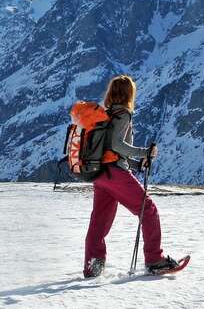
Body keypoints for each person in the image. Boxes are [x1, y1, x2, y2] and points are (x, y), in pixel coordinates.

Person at [83, 74, 180, 278]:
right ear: (129, 94)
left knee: (99, 220)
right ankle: (154, 260)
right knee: (148, 210)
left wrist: (136, 163)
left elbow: (111, 149)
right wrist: (145, 152)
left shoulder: (105, 114)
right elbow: (118, 145)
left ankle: (93, 265)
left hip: (99, 174)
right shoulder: (123, 114)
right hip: (114, 173)